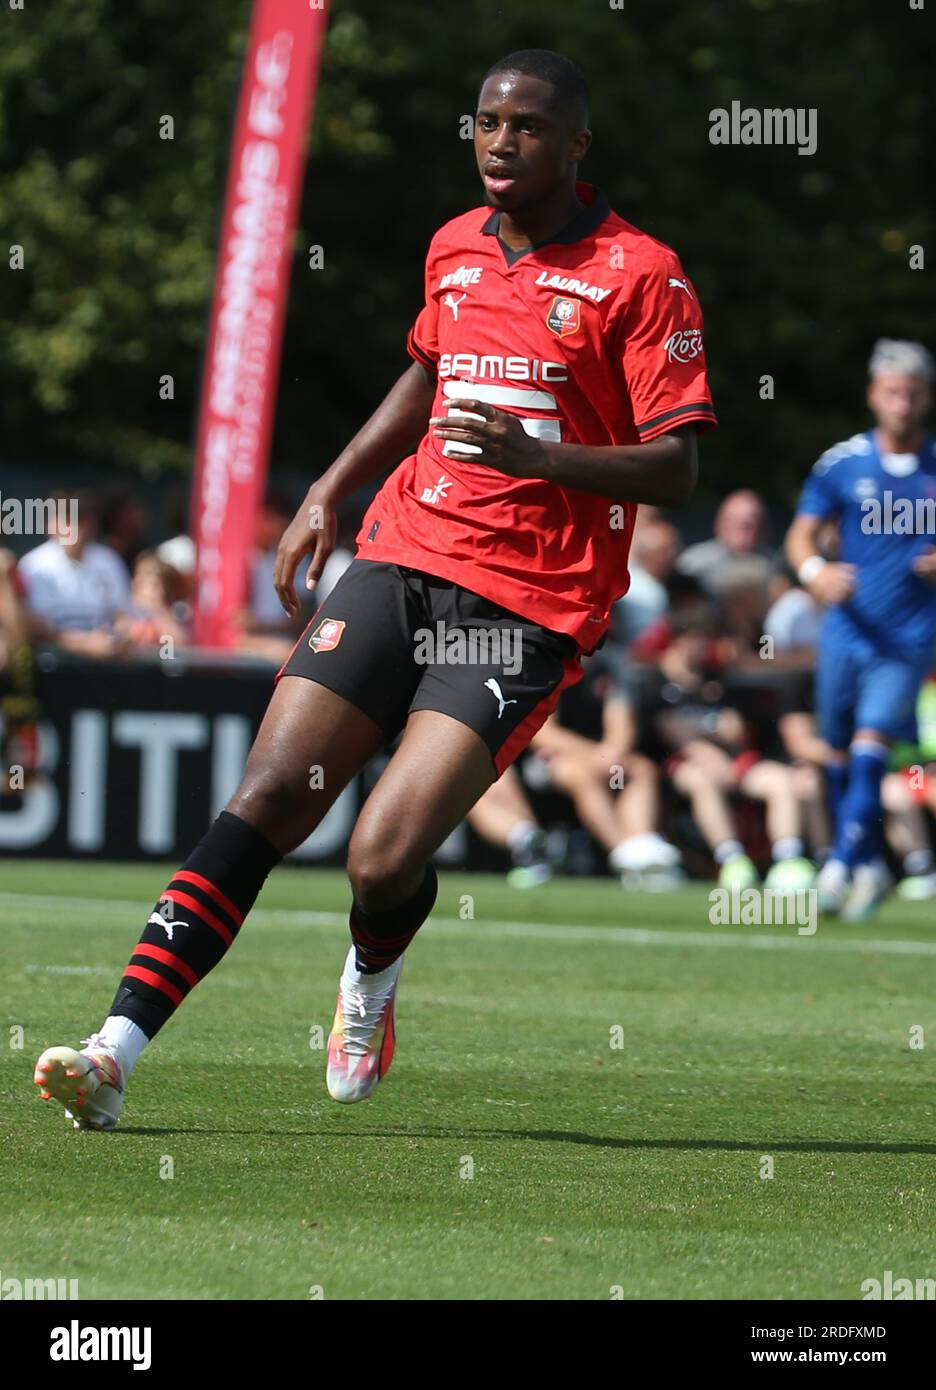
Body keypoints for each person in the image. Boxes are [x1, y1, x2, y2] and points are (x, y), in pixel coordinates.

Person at [33, 48, 716, 1130]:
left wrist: (542, 463)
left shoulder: (641, 271)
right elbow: (427, 375)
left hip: (526, 605)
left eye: (528, 126)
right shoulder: (453, 245)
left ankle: (369, 981)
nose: (501, 141)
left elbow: (677, 463)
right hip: (402, 555)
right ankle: (113, 1051)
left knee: (382, 854)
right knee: (267, 797)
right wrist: (330, 490)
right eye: (486, 121)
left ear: (576, 144)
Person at [785, 338, 936, 919]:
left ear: (926, 400)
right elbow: (800, 534)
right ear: (875, 396)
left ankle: (840, 869)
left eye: (913, 393)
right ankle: (869, 862)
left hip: (907, 638)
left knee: (873, 746)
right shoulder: (843, 463)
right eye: (893, 391)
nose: (902, 403)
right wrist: (815, 570)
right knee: (838, 754)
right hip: (845, 633)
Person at [17, 492, 131, 659]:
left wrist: (118, 638)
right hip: (52, 663)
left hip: (108, 661)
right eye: (66, 520)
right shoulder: (32, 566)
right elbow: (32, 625)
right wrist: (83, 644)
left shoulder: (109, 561)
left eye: (79, 521)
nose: (73, 529)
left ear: (91, 524)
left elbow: (124, 615)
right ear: (49, 525)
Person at [676, 490, 775, 596]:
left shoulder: (773, 565)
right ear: (720, 525)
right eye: (733, 523)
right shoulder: (693, 564)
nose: (750, 534)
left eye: (752, 526)